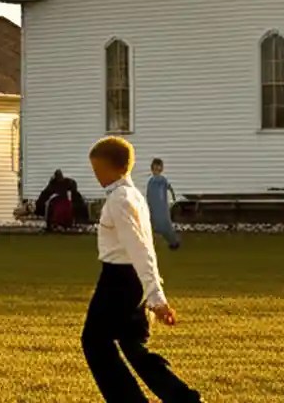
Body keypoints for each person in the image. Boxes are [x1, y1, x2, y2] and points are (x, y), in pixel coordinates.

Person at [83, 137, 202, 403]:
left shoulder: (120, 200)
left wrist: (157, 297)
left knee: (94, 342)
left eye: (97, 169)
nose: (95, 175)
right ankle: (184, 399)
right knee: (131, 345)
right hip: (131, 279)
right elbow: (145, 247)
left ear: (112, 167)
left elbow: (140, 249)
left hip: (118, 280)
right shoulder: (133, 195)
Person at [145, 158, 181, 250]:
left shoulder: (162, 180)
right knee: (157, 225)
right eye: (155, 169)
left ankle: (174, 242)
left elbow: (170, 189)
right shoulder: (151, 182)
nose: (156, 171)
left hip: (162, 207)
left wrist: (173, 200)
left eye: (158, 169)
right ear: (152, 169)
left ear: (161, 169)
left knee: (165, 225)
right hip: (155, 207)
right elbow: (149, 195)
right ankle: (168, 242)